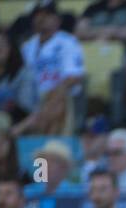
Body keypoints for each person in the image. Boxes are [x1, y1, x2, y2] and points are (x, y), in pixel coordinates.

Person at [76, 0, 126, 120]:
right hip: (93, 55)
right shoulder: (93, 8)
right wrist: (100, 34)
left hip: (125, 53)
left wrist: (114, 33)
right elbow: (79, 31)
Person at [14, 1, 83, 136]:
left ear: (57, 20)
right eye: (38, 15)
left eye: (47, 15)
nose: (42, 18)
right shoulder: (27, 46)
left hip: (58, 96)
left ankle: (44, 142)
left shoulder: (68, 41)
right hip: (30, 97)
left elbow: (74, 77)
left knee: (56, 98)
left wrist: (52, 96)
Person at [0, 27, 36, 126]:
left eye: (2, 44)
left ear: (11, 47)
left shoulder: (24, 74)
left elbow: (25, 109)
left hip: (13, 125)